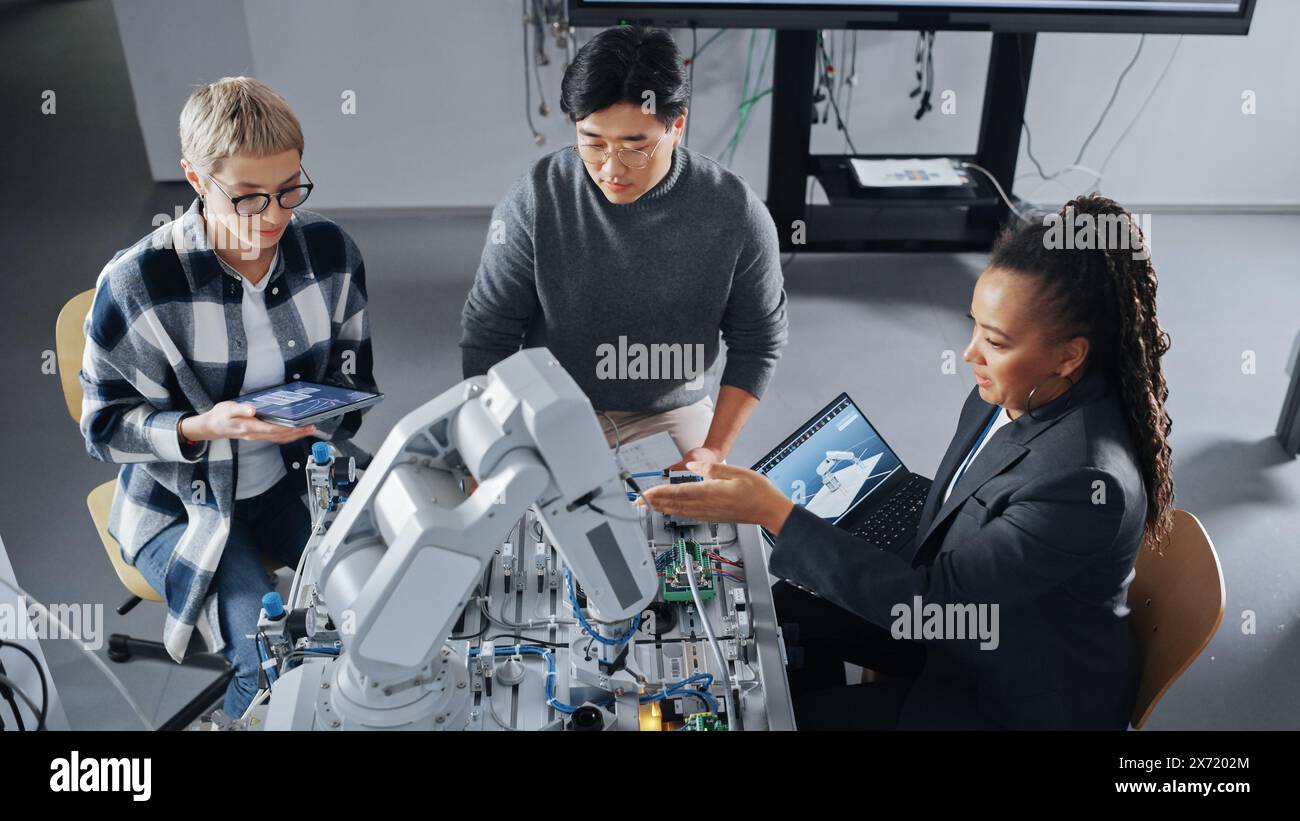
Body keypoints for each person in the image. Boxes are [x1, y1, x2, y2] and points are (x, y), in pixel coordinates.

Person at [643, 194, 1174, 730]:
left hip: (1012, 693)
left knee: (786, 715)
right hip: (971, 615)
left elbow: (938, 609)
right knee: (785, 615)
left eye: (994, 341)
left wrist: (775, 514)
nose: (970, 354)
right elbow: (972, 505)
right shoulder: (1018, 390)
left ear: (1069, 355)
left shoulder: (1084, 480)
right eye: (973, 326)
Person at [79, 77, 377, 721]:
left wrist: (317, 418)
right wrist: (200, 428)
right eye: (246, 198)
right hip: (181, 506)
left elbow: (353, 386)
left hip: (296, 483)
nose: (273, 216)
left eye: (289, 189)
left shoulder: (328, 252)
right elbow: (103, 428)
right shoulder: (137, 282)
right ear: (194, 177)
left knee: (380, 604)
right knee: (268, 658)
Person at [459, 25, 788, 468]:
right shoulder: (535, 200)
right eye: (593, 143)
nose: (611, 169)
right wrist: (489, 448)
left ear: (677, 126)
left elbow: (759, 341)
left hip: (677, 407)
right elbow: (489, 334)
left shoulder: (735, 212)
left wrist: (712, 451)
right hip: (556, 404)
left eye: (636, 147)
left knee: (713, 528)